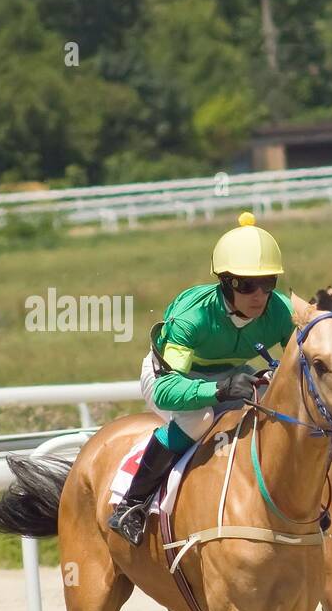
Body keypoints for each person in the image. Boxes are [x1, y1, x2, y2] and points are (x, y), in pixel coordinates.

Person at [107, 212, 295, 545]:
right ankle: (131, 504)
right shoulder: (191, 317)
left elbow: (302, 359)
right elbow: (166, 390)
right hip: (169, 378)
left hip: (233, 375)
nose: (259, 295)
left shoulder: (279, 310)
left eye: (268, 283)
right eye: (247, 285)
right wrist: (219, 389)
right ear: (225, 282)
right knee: (199, 418)